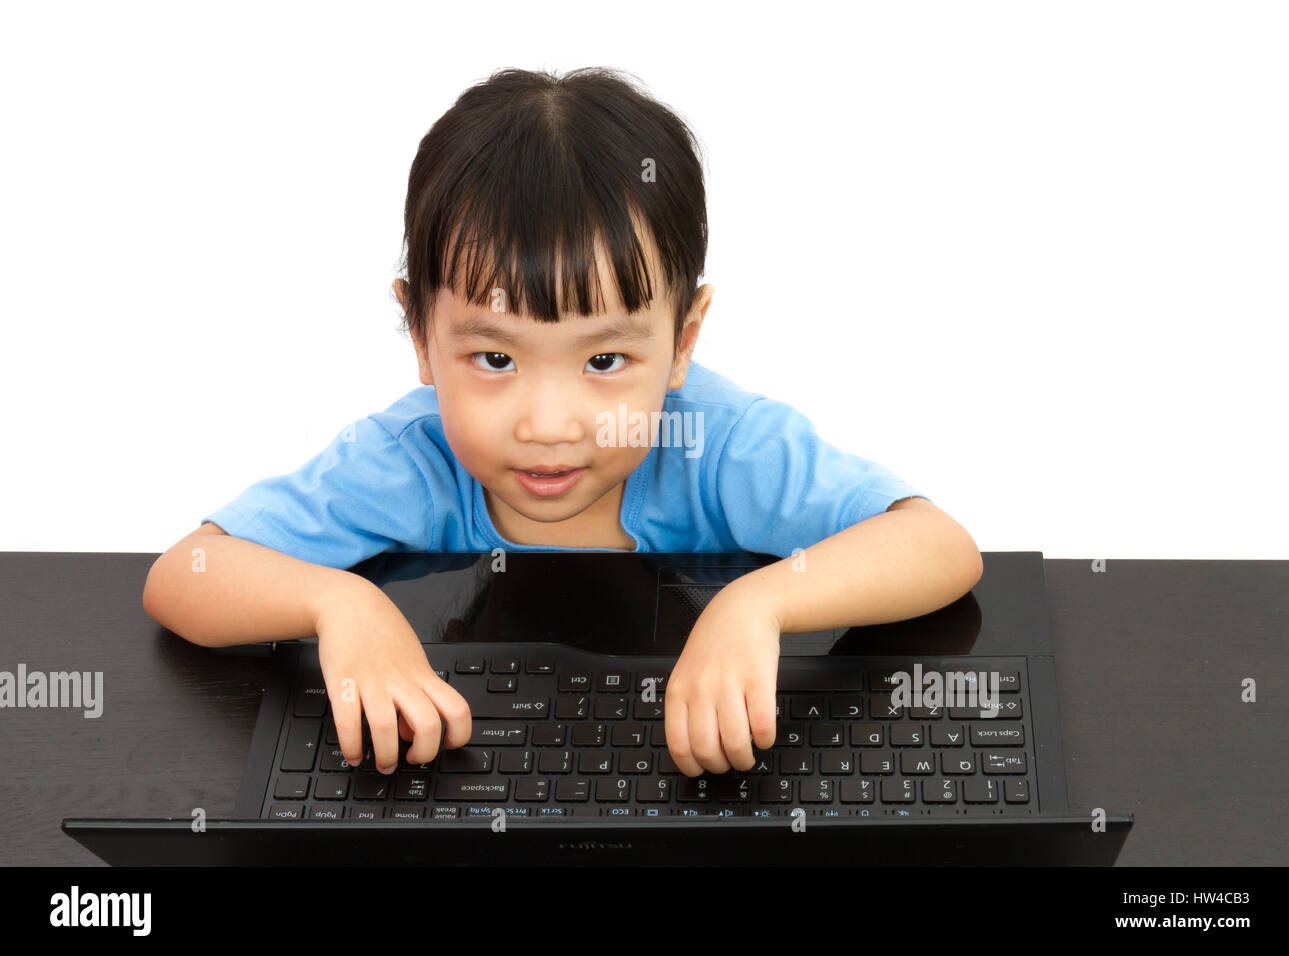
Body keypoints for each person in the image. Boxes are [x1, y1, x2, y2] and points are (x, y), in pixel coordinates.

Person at [143, 67, 982, 782]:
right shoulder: (411, 456)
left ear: (683, 341)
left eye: (605, 363)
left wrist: (757, 606)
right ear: (421, 337)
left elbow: (938, 545)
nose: (549, 426)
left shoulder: (716, 443)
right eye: (497, 361)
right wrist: (338, 603)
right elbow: (186, 575)